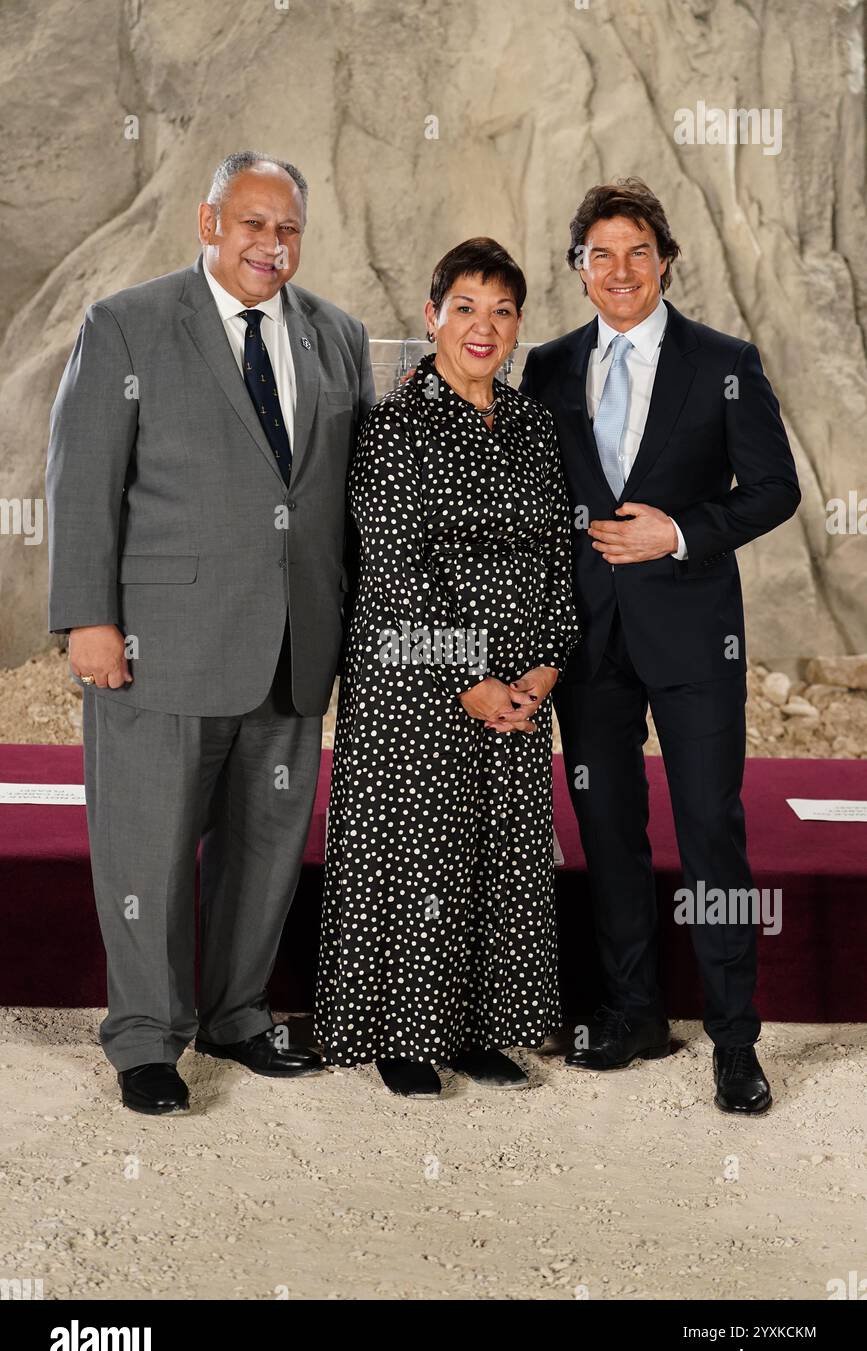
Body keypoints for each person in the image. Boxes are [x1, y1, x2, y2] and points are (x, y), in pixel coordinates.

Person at [46, 150, 376, 1116]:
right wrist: (89, 619)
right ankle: (146, 1038)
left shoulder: (336, 336)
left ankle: (237, 1016)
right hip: (160, 642)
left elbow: (340, 495)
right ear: (209, 223)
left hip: (293, 645)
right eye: (252, 224)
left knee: (265, 846)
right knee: (146, 850)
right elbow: (83, 480)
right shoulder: (127, 324)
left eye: (287, 230)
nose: (271, 245)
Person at [519, 177, 801, 1115]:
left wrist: (676, 531)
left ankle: (733, 1038)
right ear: (579, 269)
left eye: (637, 250)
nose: (620, 269)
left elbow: (772, 490)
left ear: (665, 259)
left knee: (710, 830)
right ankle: (633, 1011)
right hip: (588, 643)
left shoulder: (723, 360)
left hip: (692, 642)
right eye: (600, 253)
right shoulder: (550, 367)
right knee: (608, 831)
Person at [314, 238, 581, 1098]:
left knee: (498, 853)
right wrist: (468, 679)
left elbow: (556, 559)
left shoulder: (535, 426)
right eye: (465, 307)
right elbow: (396, 566)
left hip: (516, 685)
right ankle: (400, 1032)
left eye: (501, 310)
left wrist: (544, 666)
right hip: (414, 678)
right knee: (414, 851)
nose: (483, 326)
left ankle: (478, 1031)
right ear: (432, 317)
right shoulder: (393, 426)